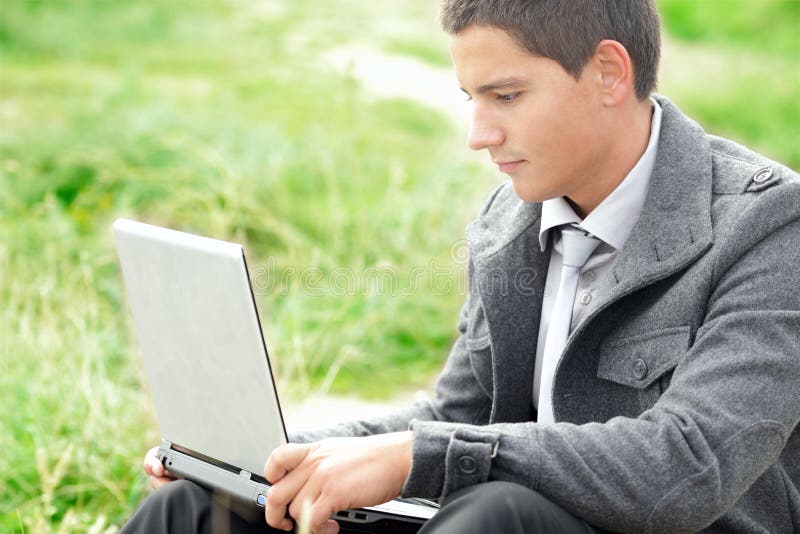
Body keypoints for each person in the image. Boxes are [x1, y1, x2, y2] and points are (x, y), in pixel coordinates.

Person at [122, 1, 800, 533]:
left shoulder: (769, 226)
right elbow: (455, 415)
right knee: (198, 511)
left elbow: (688, 466)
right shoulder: (513, 215)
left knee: (495, 513)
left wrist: (422, 455)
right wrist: (276, 458)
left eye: (506, 96)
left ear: (608, 73)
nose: (479, 135)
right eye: (470, 98)